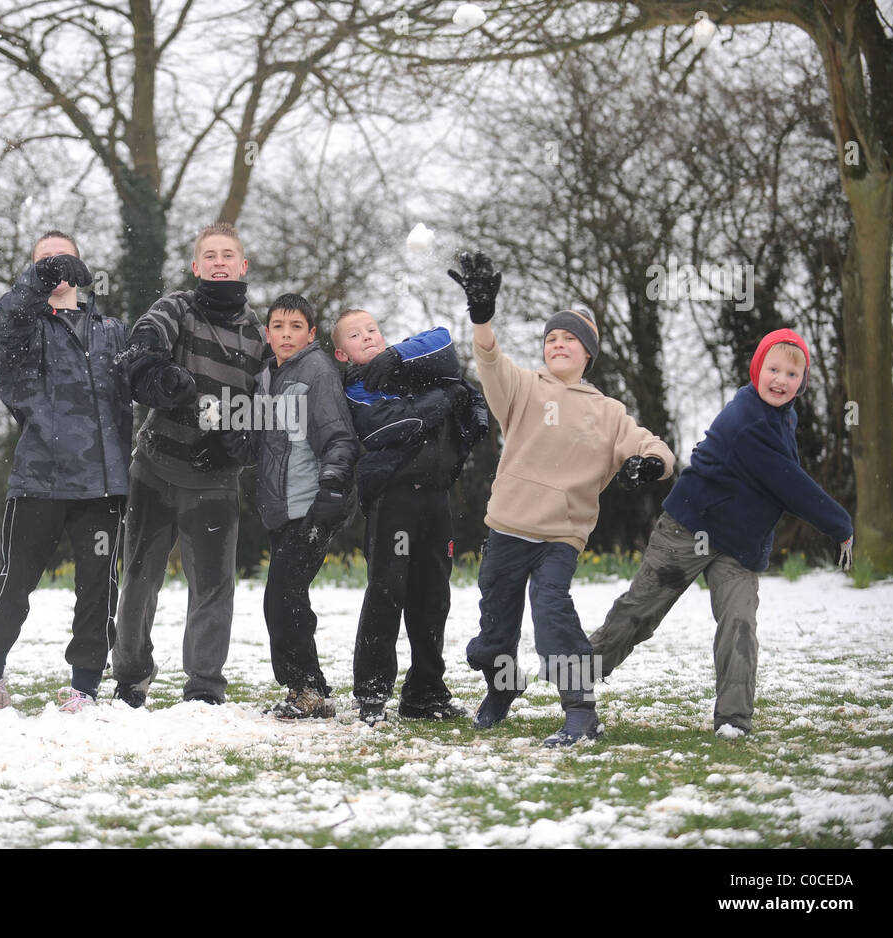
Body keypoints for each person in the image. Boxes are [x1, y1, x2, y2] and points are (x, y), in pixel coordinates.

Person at [453, 250, 675, 746]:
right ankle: (502, 690)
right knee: (494, 634)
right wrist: (482, 316)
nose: (558, 343)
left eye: (569, 338)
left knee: (552, 614)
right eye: (551, 337)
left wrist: (652, 464)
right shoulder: (523, 390)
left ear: (588, 353)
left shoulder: (609, 411)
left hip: (560, 537)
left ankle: (581, 712)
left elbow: (652, 446)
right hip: (507, 528)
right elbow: (488, 359)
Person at [587, 329, 854, 736]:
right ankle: (574, 673)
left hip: (738, 546)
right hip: (689, 527)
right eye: (773, 369)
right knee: (640, 613)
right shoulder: (746, 419)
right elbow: (789, 483)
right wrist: (840, 524)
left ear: (802, 382)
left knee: (740, 623)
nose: (781, 380)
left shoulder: (784, 415)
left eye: (792, 374)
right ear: (756, 370)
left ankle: (733, 719)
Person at [111, 222, 270, 707]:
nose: (219, 262)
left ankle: (203, 687)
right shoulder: (176, 307)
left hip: (216, 477)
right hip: (155, 466)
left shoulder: (258, 336)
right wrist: (158, 374)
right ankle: (131, 676)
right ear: (197, 266)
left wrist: (235, 447)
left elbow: (265, 412)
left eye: (228, 255)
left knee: (212, 588)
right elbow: (143, 343)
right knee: (138, 579)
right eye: (210, 255)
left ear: (242, 266)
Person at [0, 230, 132, 713]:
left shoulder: (112, 331)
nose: (55, 268)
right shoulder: (22, 326)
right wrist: (38, 280)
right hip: (39, 479)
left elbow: (141, 380)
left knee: (97, 588)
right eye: (44, 261)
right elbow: (7, 324)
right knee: (15, 583)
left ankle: (84, 687)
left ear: (82, 268)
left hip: (103, 485)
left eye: (63, 260)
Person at [332, 310, 489, 725]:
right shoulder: (356, 387)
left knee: (433, 599)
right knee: (387, 595)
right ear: (341, 353)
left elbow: (444, 344)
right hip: (394, 501)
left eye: (372, 330)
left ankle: (425, 693)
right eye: (354, 335)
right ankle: (370, 695)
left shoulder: (408, 364)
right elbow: (394, 425)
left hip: (436, 500)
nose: (367, 337)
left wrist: (400, 356)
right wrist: (443, 400)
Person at [205, 294, 359, 718]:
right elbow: (259, 446)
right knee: (290, 596)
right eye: (278, 326)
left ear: (311, 334)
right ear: (267, 333)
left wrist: (331, 488)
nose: (286, 334)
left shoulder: (317, 371)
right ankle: (312, 689)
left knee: (282, 596)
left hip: (312, 503)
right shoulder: (267, 377)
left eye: (295, 327)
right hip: (281, 507)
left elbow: (338, 437)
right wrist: (226, 434)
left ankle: (305, 688)